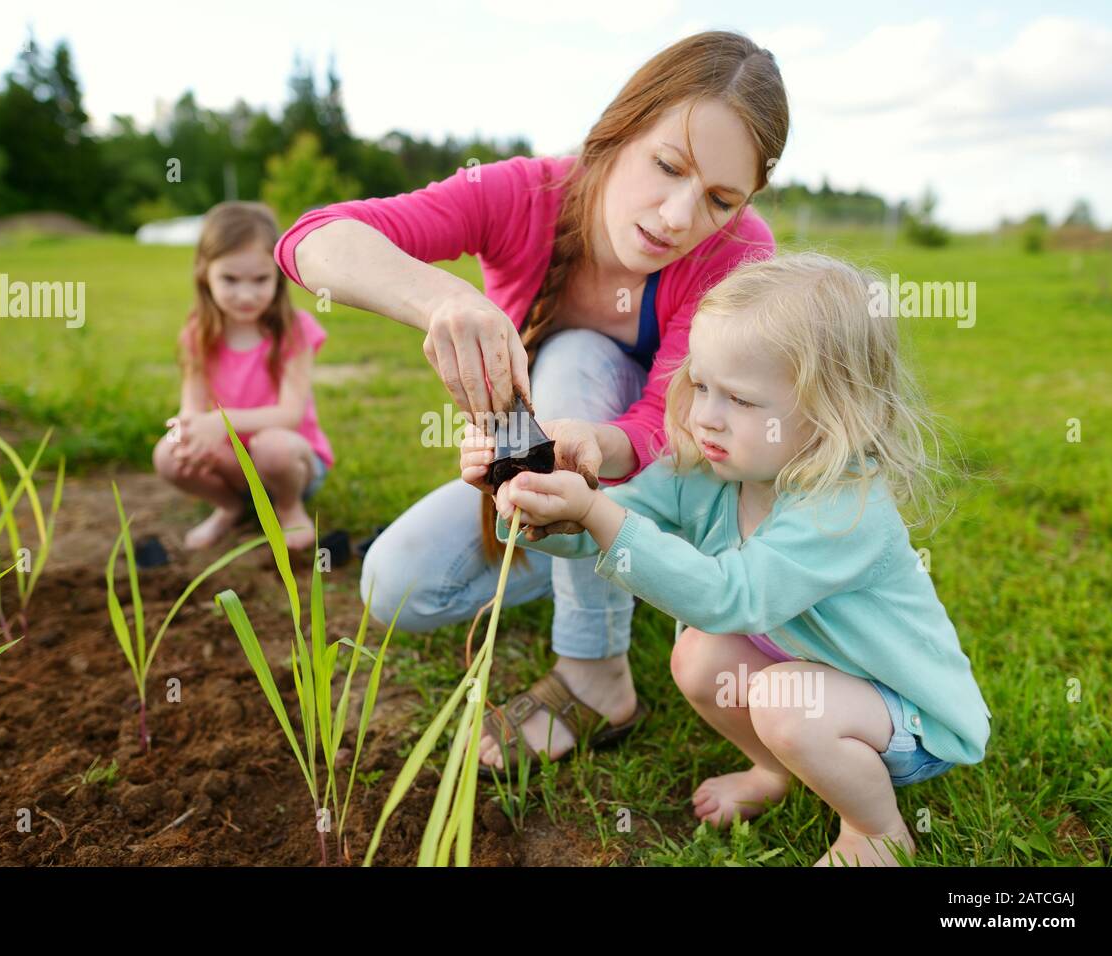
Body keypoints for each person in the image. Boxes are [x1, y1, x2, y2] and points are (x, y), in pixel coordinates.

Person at [275, 32, 790, 768]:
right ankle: (609, 563)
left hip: (680, 491)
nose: (678, 216)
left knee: (577, 353)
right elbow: (310, 238)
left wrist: (592, 449)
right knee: (398, 588)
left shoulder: (739, 251)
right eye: (668, 166)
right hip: (561, 472)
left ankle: (595, 672)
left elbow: (666, 424)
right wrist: (443, 297)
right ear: (618, 131)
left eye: (718, 198)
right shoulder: (522, 193)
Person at [469, 252, 992, 866]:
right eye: (701, 385)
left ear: (833, 416)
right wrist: (539, 508)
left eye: (740, 400)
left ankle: (875, 830)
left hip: (903, 714)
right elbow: (598, 531)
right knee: (699, 656)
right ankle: (774, 770)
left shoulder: (843, 510)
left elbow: (729, 596)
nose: (705, 416)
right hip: (806, 677)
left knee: (781, 699)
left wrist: (597, 511)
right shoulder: (714, 471)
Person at [154, 201, 334, 551]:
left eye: (260, 279)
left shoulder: (294, 331)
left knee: (271, 445)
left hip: (292, 464)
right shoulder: (197, 334)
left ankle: (288, 507)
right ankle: (230, 507)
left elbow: (290, 415)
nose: (247, 294)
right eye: (231, 279)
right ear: (205, 273)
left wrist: (221, 422)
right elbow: (190, 407)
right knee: (168, 452)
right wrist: (187, 428)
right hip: (232, 465)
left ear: (278, 274)